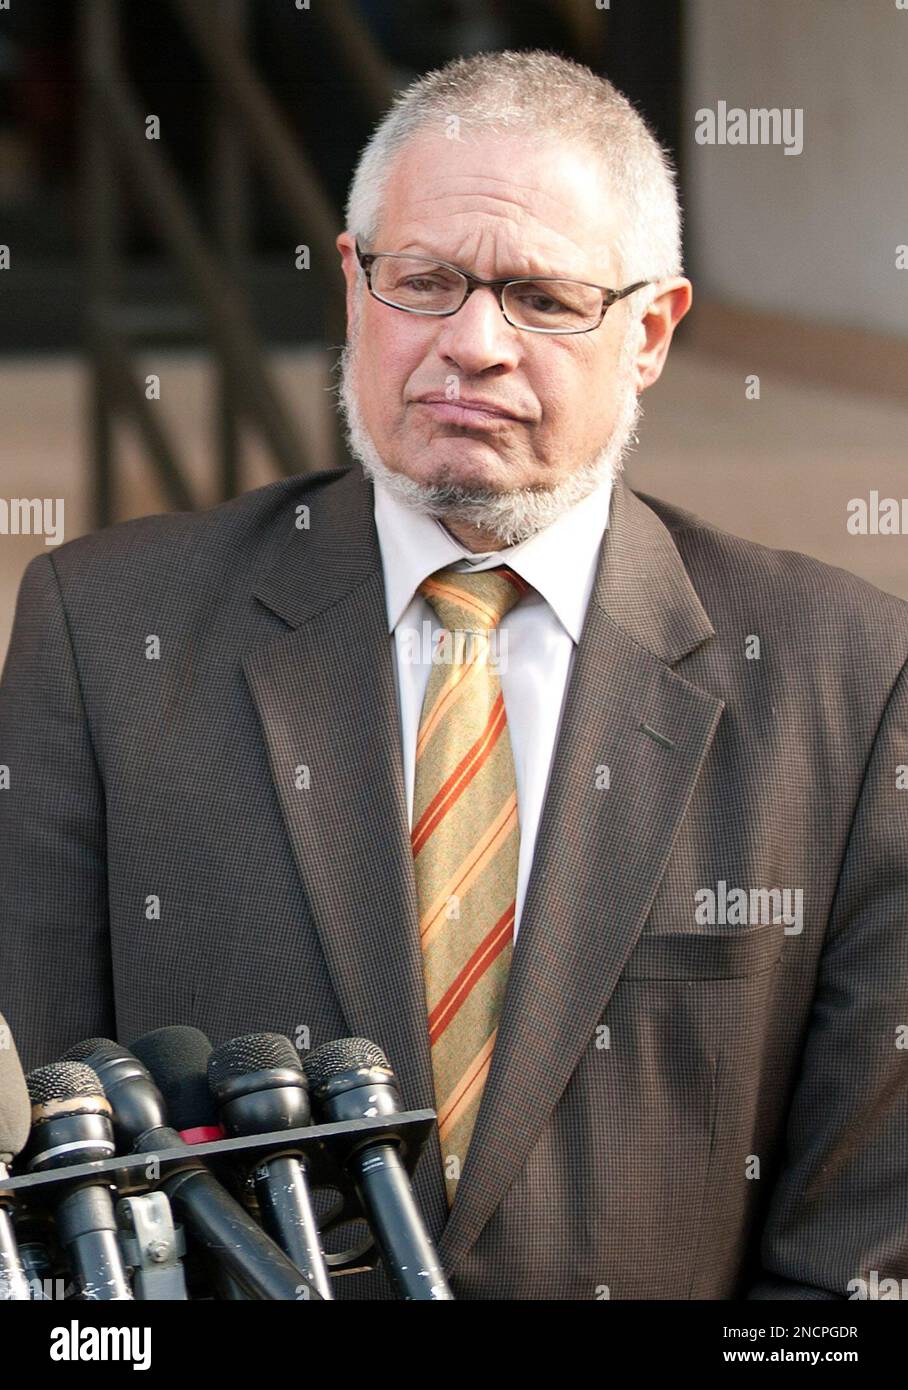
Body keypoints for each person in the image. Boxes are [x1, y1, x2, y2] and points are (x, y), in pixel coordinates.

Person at [1, 50, 906, 1300]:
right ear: (352, 285)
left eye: (540, 297)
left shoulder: (846, 681)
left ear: (648, 331)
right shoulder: (103, 632)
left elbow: (854, 1258)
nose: (471, 344)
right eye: (423, 281)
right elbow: (49, 1177)